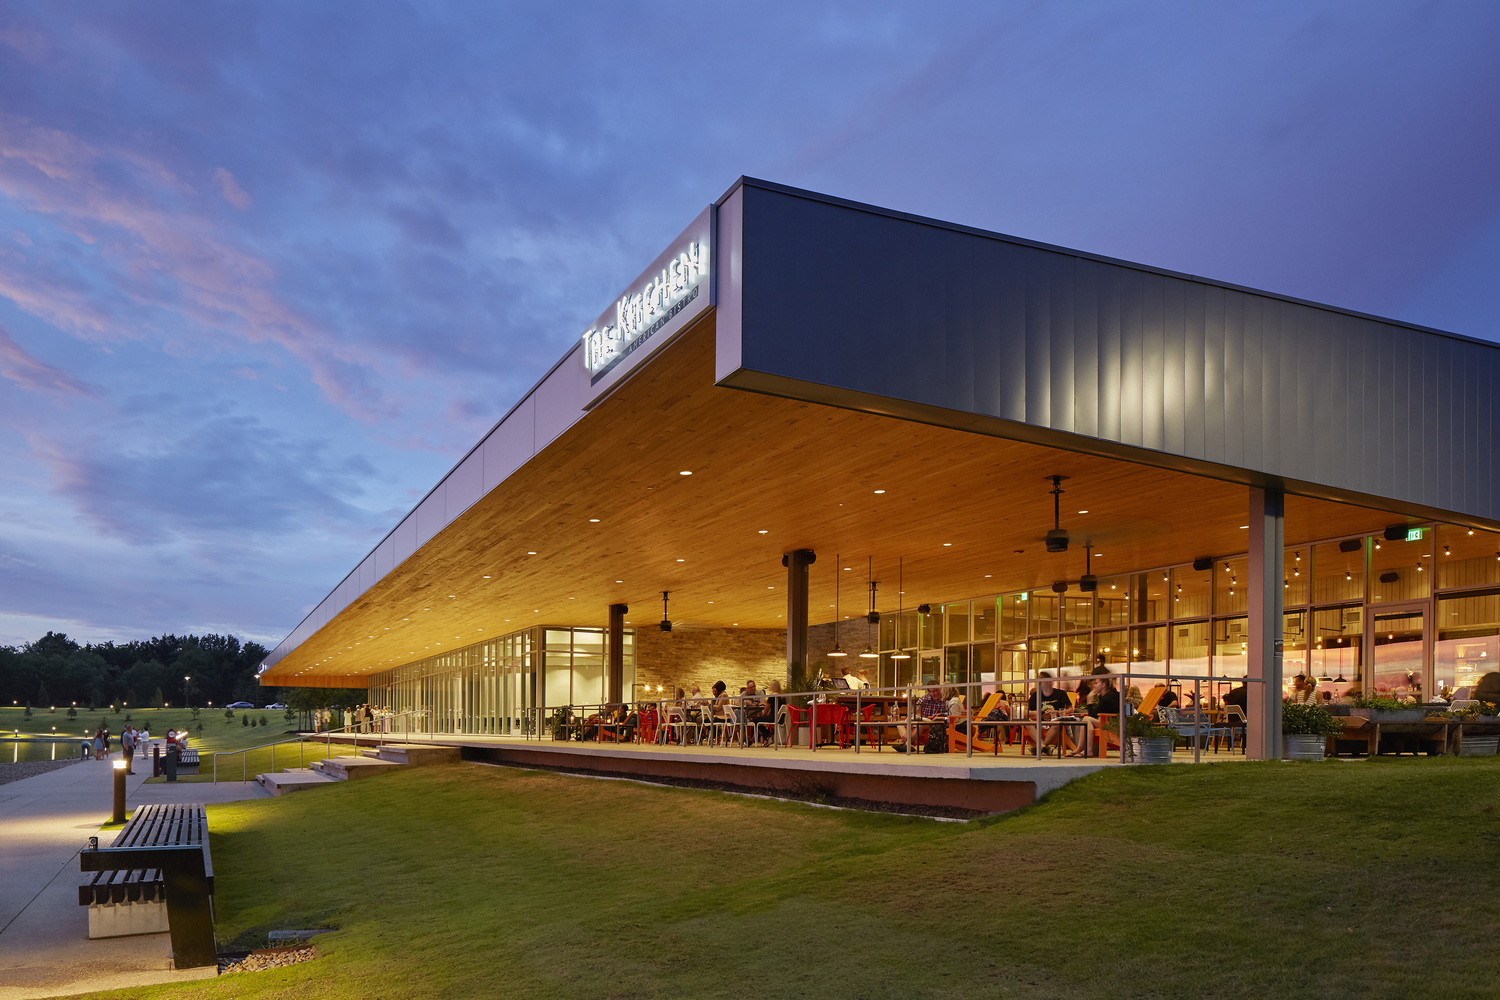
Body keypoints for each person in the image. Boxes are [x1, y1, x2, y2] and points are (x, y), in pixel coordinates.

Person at [891, 684, 948, 752]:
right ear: (929, 692)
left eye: (936, 691)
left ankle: (907, 744)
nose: (935, 693)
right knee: (900, 723)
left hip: (935, 724)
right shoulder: (924, 698)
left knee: (921, 724)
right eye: (932, 692)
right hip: (921, 721)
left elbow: (948, 715)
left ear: (940, 690)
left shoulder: (944, 699)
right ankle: (908, 745)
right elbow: (915, 711)